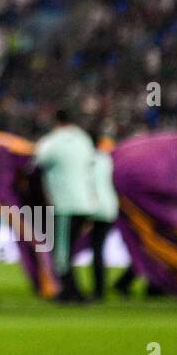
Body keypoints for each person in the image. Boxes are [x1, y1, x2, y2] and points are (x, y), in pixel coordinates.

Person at [34, 110, 97, 303]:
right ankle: (72, 291)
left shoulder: (52, 141)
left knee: (61, 252)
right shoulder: (84, 139)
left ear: (57, 121)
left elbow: (37, 162)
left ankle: (70, 293)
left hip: (65, 204)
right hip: (85, 204)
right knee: (69, 249)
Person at [89, 129, 119, 301]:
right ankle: (101, 287)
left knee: (97, 249)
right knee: (99, 248)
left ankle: (98, 290)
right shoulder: (107, 159)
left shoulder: (89, 160)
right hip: (110, 206)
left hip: (95, 207)